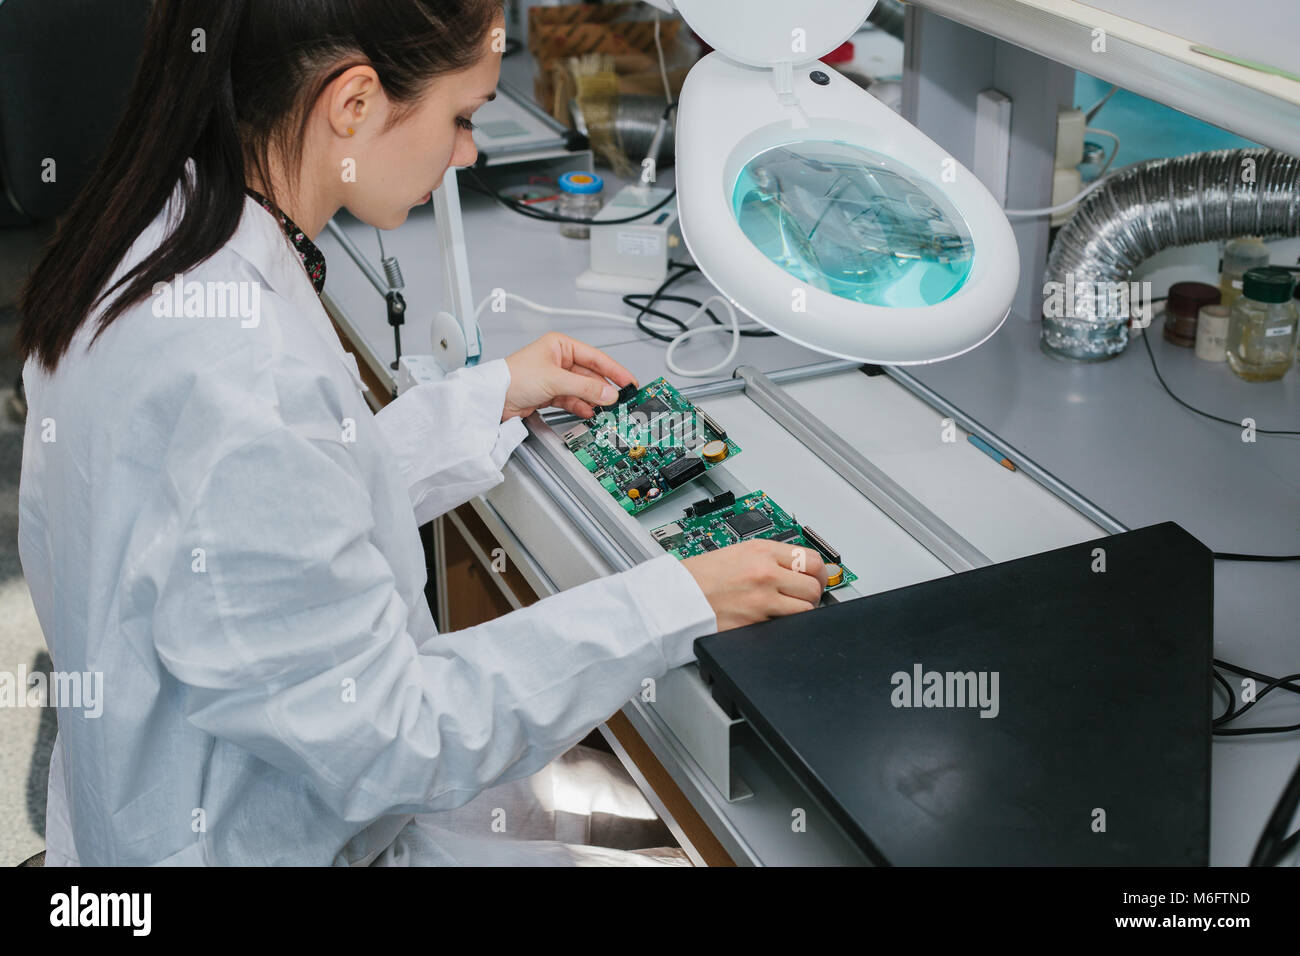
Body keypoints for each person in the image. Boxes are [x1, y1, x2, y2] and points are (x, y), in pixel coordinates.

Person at [15, 0, 826, 866]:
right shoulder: (243, 369)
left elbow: (266, 527)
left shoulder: (160, 224)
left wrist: (482, 402)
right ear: (354, 103)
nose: (469, 153)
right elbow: (396, 738)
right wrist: (672, 603)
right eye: (463, 117)